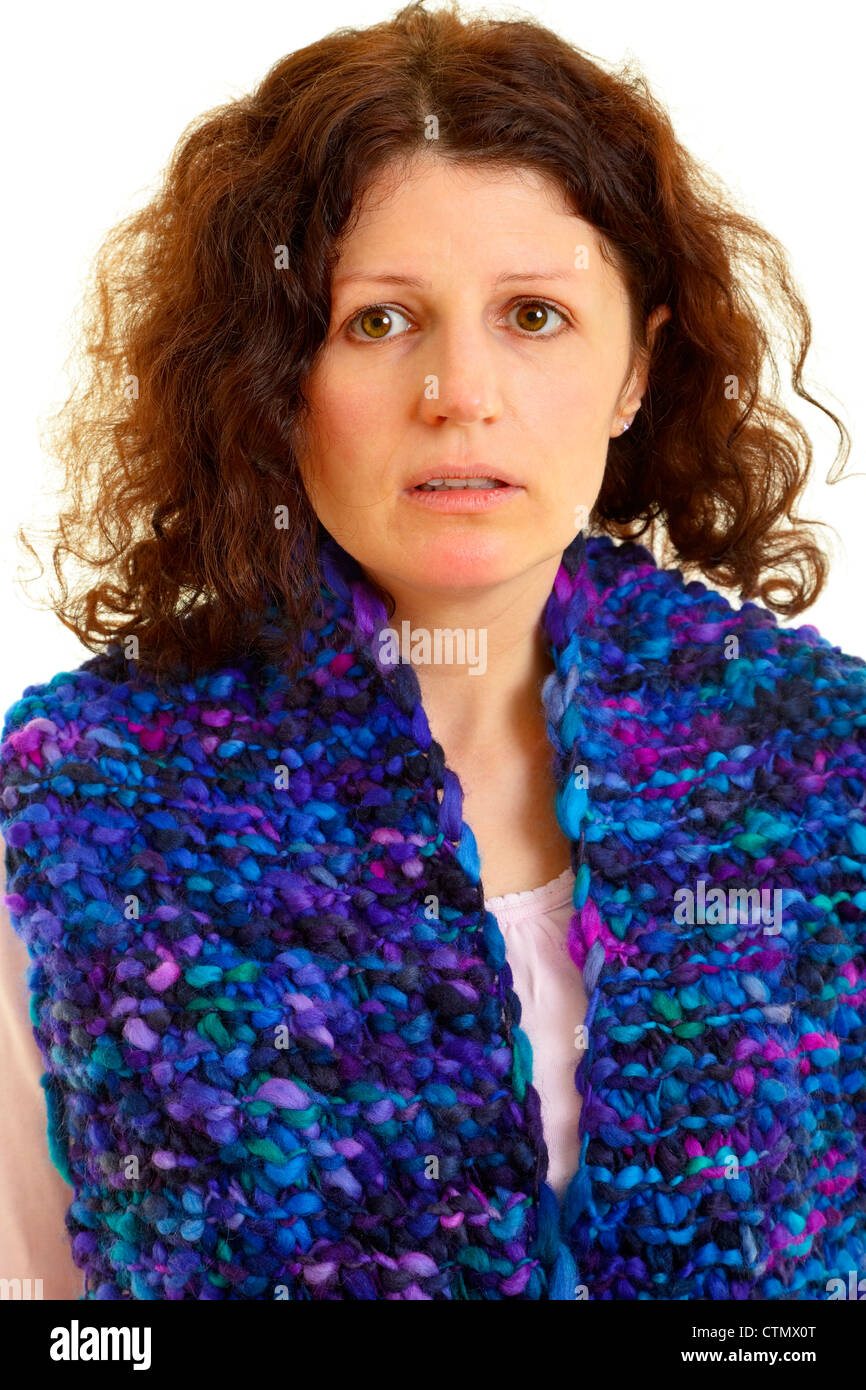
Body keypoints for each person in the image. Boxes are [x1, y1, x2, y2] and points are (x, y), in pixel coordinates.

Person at [1, 0, 864, 1301]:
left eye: (531, 315)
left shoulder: (826, 770)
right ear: (272, 374)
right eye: (377, 321)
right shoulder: (70, 812)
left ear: (636, 365)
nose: (459, 389)